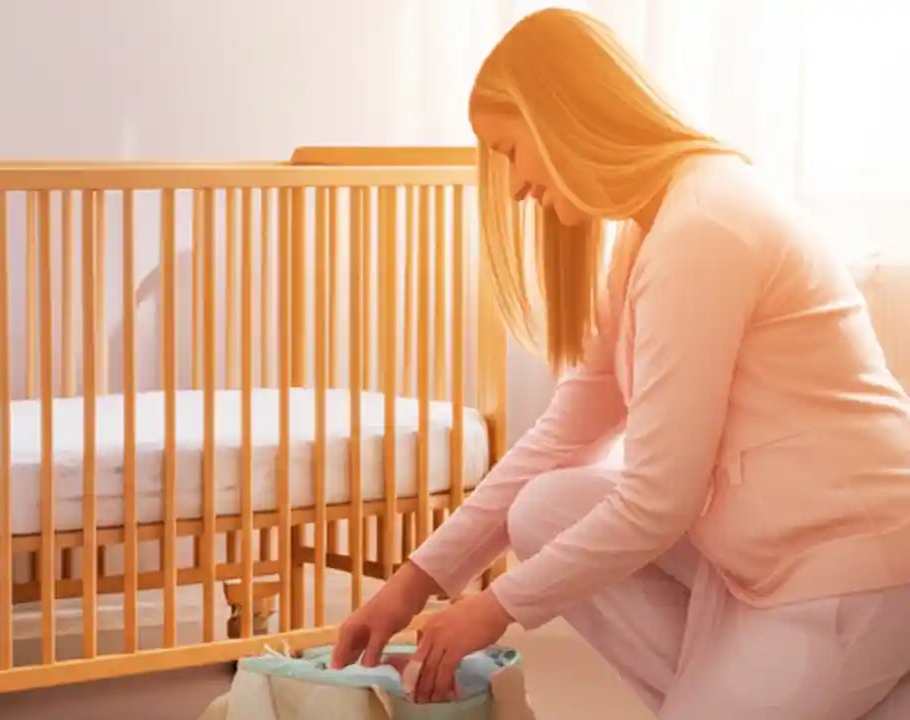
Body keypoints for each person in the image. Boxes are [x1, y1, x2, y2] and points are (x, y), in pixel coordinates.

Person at [330, 8, 910, 719]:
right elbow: (562, 436)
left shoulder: (704, 228)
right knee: (543, 504)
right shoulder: (651, 231)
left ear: (561, 120)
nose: (514, 187)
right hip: (764, 560)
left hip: (851, 567)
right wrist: (414, 580)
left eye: (512, 150)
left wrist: (495, 606)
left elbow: (660, 499)